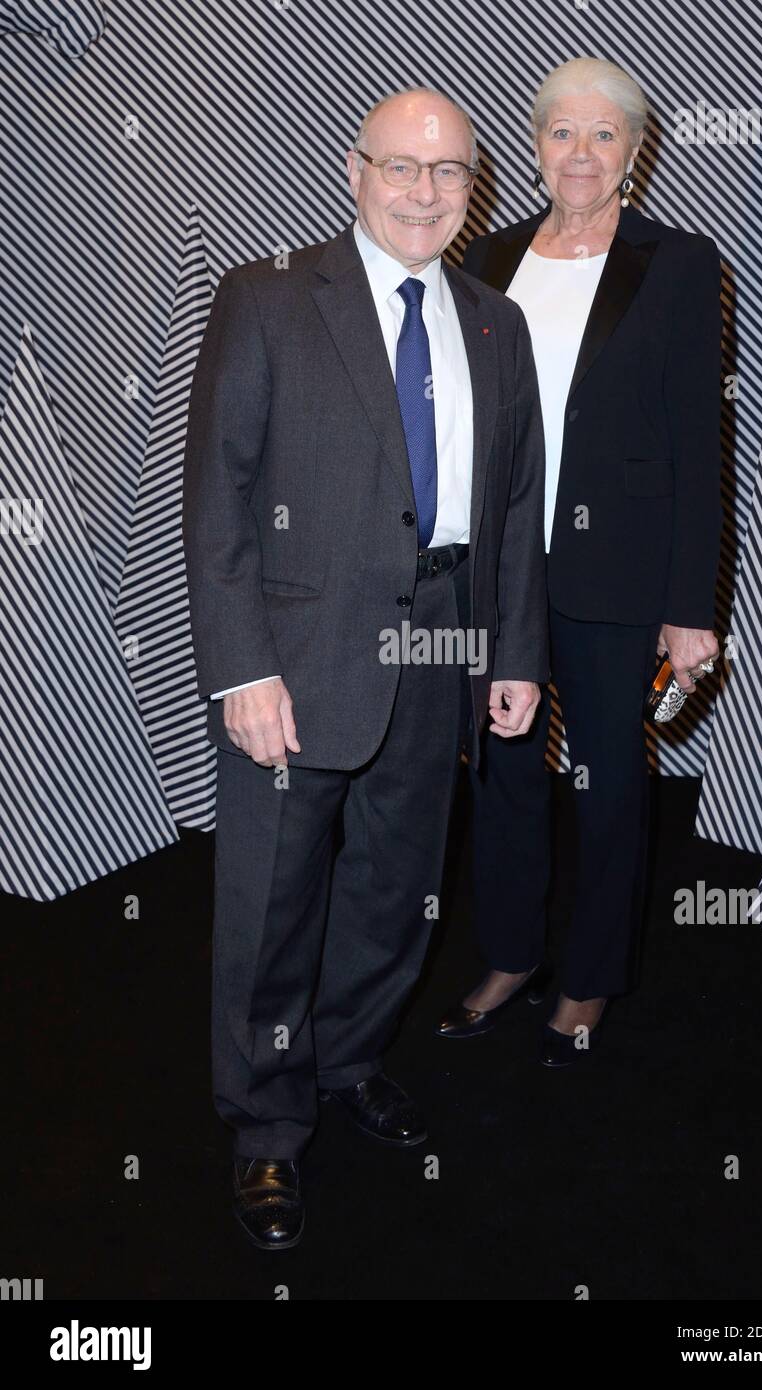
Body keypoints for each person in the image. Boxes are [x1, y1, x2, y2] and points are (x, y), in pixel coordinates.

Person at [182, 88, 548, 1248]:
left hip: (438, 643)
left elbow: (514, 506)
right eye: (401, 166)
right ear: (355, 170)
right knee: (272, 904)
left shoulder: (497, 324)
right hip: (294, 656)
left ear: (472, 184)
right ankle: (268, 1126)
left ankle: (343, 1060)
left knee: (395, 894)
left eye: (448, 172)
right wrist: (240, 667)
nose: (424, 191)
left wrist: (512, 654)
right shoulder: (270, 297)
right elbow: (216, 495)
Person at [436, 57, 722, 1065]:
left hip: (619, 570)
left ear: (633, 151)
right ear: (534, 145)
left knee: (605, 780)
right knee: (503, 769)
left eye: (604, 134)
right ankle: (511, 952)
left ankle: (591, 975)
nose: (581, 153)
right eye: (562, 132)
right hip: (504, 565)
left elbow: (698, 439)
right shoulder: (491, 253)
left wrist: (690, 607)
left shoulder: (678, 263)